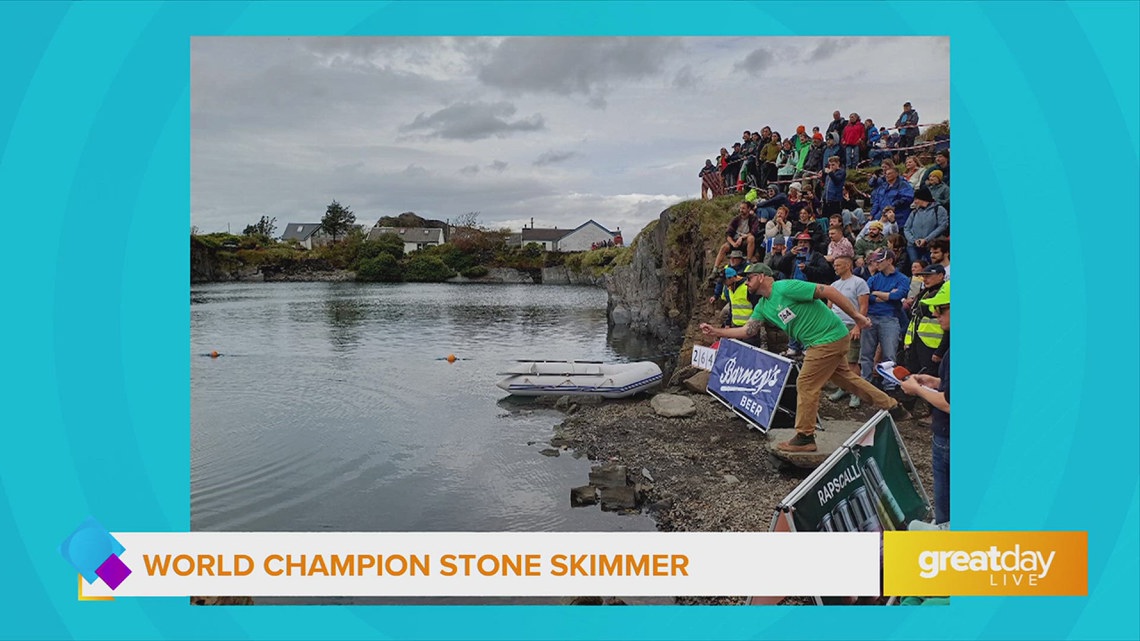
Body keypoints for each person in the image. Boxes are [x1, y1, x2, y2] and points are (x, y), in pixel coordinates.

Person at [700, 263, 910, 453]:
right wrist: (716, 332)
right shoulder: (763, 306)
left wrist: (856, 316)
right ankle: (891, 405)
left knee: (806, 383)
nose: (746, 283)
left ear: (762, 276)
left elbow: (827, 290)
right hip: (824, 341)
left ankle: (805, 437)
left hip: (828, 338)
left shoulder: (785, 287)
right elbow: (748, 330)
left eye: (749, 278)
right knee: (846, 379)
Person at [899, 282, 950, 525]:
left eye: (941, 309)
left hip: (949, 437)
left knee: (946, 511)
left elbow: (949, 403)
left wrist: (918, 389)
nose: (935, 315)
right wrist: (935, 380)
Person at [860, 248, 911, 394]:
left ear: (890, 260)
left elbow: (897, 296)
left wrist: (876, 294)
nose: (876, 263)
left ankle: (889, 387)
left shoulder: (902, 278)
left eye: (880, 260)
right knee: (866, 353)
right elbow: (866, 295)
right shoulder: (874, 278)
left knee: (889, 355)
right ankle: (866, 385)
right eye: (876, 261)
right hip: (871, 317)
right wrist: (886, 296)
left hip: (890, 319)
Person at [826, 255, 870, 408]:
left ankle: (855, 392)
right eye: (835, 265)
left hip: (851, 325)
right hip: (835, 326)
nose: (835, 267)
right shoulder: (834, 284)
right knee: (839, 360)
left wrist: (858, 325)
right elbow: (829, 307)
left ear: (848, 265)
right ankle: (843, 387)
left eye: (838, 265)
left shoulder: (859, 283)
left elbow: (863, 307)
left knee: (852, 361)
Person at [903, 186, 950, 264]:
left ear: (923, 198)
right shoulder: (914, 212)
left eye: (916, 199)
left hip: (932, 245)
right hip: (913, 245)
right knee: (915, 264)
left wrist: (926, 239)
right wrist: (914, 240)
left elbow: (942, 226)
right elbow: (906, 228)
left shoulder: (939, 209)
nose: (915, 202)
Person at [713, 201, 760, 268]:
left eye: (743, 208)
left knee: (751, 238)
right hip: (735, 240)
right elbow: (728, 234)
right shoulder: (736, 219)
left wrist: (742, 238)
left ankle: (748, 261)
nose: (741, 210)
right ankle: (715, 268)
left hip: (745, 240)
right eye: (740, 208)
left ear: (749, 209)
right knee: (724, 247)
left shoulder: (753, 218)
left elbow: (754, 232)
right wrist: (733, 243)